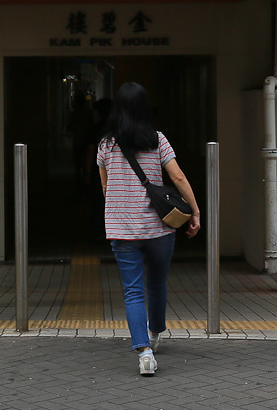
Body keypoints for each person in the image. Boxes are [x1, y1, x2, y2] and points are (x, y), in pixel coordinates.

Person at [97, 82, 200, 377]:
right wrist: (195, 211)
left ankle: (143, 353)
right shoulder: (157, 139)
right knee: (157, 283)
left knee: (132, 291)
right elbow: (178, 178)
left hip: (121, 230)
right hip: (159, 227)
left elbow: (106, 188)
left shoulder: (106, 145)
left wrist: (122, 210)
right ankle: (155, 334)